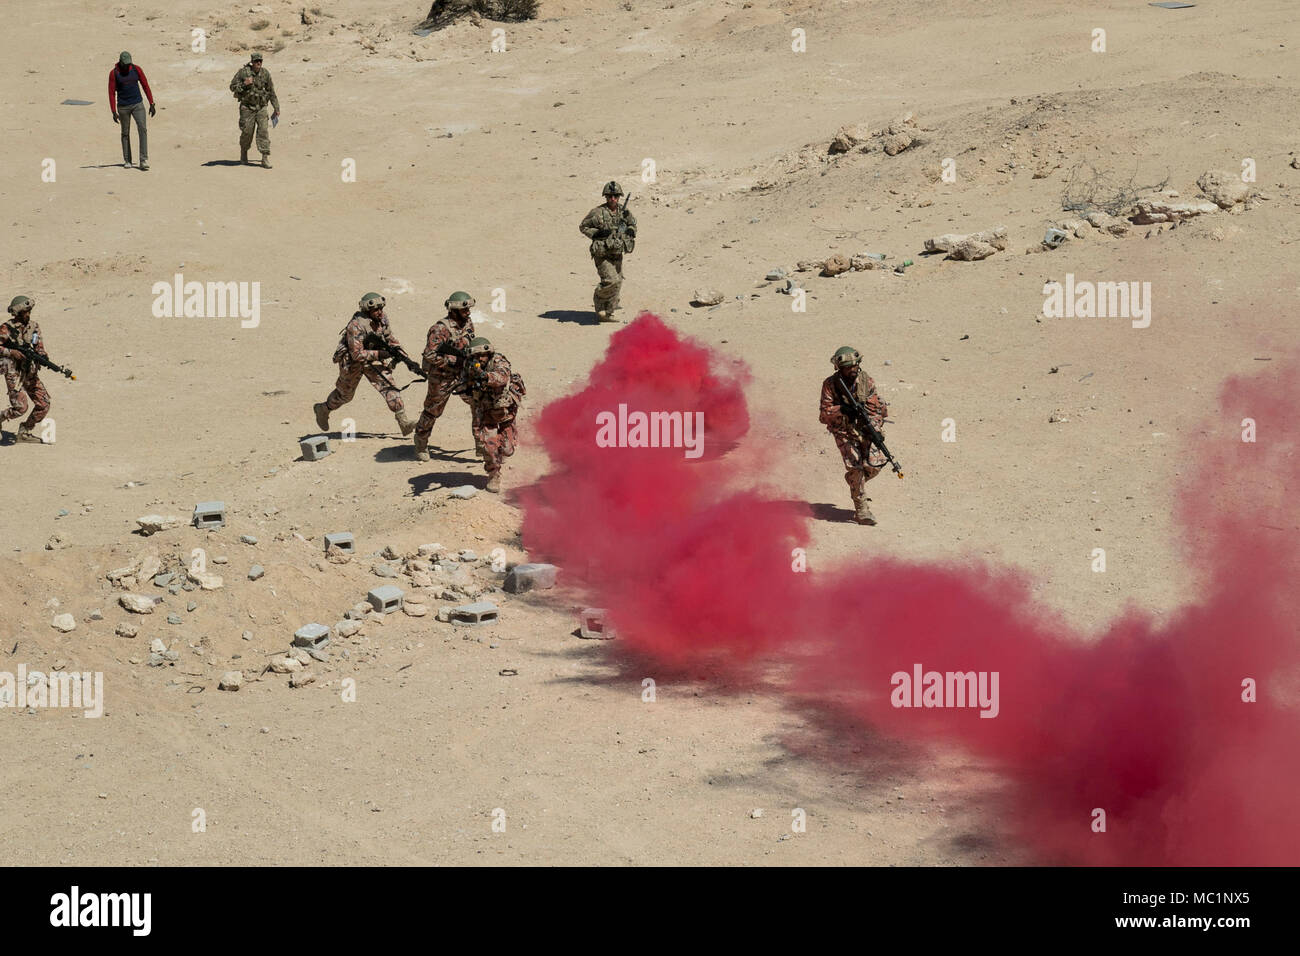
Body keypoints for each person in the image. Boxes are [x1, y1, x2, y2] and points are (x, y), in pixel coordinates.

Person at [314, 293, 417, 436]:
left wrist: (405, 358)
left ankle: (403, 422)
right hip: (352, 363)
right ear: (366, 310)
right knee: (345, 396)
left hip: (372, 359)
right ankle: (323, 409)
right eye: (376, 309)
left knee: (389, 386)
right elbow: (356, 354)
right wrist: (380, 354)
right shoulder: (355, 326)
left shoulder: (382, 319)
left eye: (381, 308)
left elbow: (389, 337)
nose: (380, 312)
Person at [818, 346, 890, 525]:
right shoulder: (830, 385)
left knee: (877, 463)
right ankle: (862, 510)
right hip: (843, 430)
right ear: (839, 368)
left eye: (854, 366)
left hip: (865, 428)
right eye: (847, 367)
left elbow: (876, 410)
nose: (852, 370)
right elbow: (824, 414)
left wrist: (876, 430)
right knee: (856, 466)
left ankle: (856, 482)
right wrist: (842, 409)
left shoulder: (867, 382)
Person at [413, 291, 477, 462]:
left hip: (463, 373)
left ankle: (482, 443)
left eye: (468, 310)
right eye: (464, 310)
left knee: (478, 403)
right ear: (454, 311)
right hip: (442, 377)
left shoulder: (468, 323)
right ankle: (420, 441)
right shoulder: (439, 329)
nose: (468, 313)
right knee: (432, 411)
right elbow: (429, 355)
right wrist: (452, 360)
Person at [461, 338, 525, 494]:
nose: (480, 359)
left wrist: (484, 376)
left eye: (483, 355)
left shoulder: (498, 360)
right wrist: (475, 398)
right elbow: (462, 389)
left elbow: (501, 377)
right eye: (476, 356)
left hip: (504, 412)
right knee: (488, 446)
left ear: (489, 353)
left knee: (508, 449)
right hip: (485, 412)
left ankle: (500, 453)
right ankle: (493, 474)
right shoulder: (469, 367)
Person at [578, 181, 636, 321]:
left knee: (618, 282)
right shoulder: (597, 212)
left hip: (617, 252)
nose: (613, 199)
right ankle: (599, 299)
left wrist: (630, 230)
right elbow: (583, 226)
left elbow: (632, 224)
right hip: (602, 253)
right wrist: (597, 233)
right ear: (605, 197)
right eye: (610, 196)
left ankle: (608, 312)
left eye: (616, 196)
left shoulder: (624, 212)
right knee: (611, 281)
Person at [0, 296, 54, 444]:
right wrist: (11, 353)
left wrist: (42, 357)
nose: (28, 314)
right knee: (20, 408)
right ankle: (1, 417)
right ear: (17, 312)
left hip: (29, 371)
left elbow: (39, 346)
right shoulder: (6, 328)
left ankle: (25, 431)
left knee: (44, 404)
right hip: (14, 372)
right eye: (25, 311)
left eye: (29, 311)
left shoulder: (34, 326)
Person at [228, 51, 280, 168]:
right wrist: (244, 84)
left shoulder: (265, 73)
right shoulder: (243, 73)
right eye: (256, 61)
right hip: (247, 108)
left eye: (260, 61)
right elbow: (232, 87)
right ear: (252, 62)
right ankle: (244, 152)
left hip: (261, 107)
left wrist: (276, 107)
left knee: (263, 132)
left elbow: (271, 91)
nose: (258, 63)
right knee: (247, 132)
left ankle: (265, 158)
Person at [108, 52, 156, 170]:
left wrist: (151, 103)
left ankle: (143, 160)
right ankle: (127, 160)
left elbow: (145, 85)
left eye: (129, 63)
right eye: (125, 64)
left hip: (137, 104)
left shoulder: (136, 69)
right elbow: (111, 92)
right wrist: (113, 111)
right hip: (123, 107)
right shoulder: (114, 73)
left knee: (142, 129)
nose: (127, 66)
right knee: (125, 133)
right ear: (120, 62)